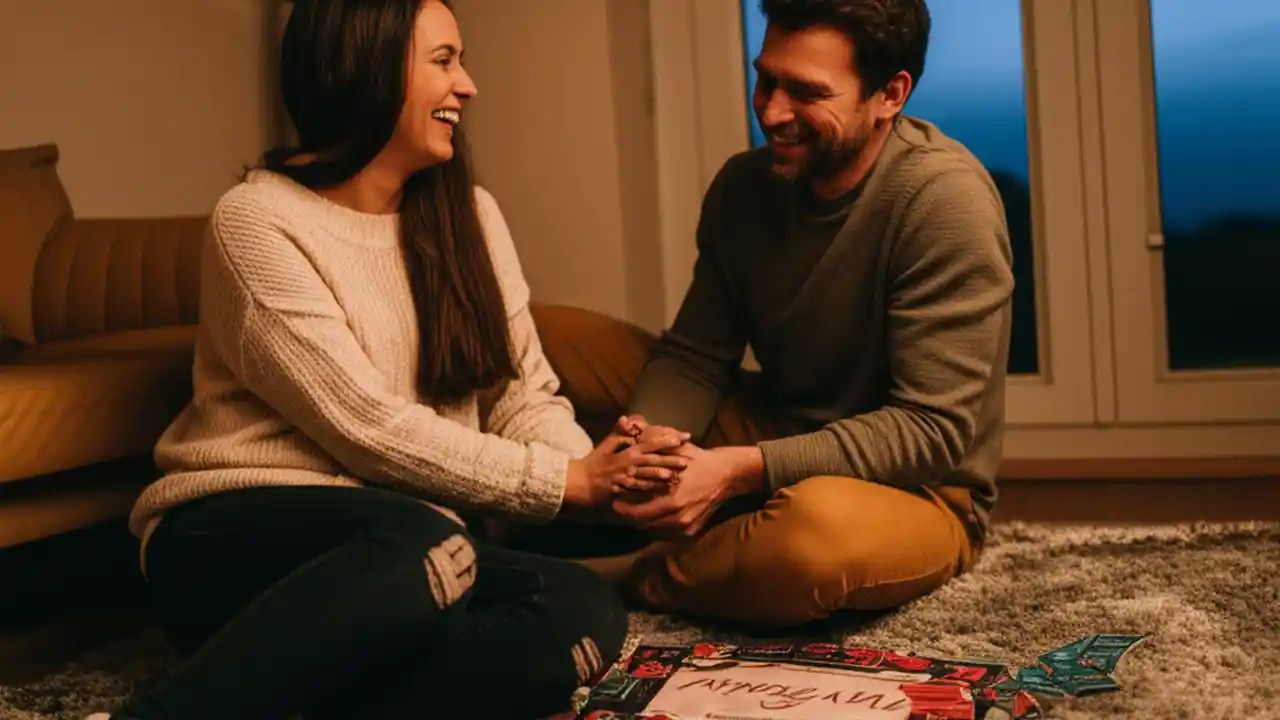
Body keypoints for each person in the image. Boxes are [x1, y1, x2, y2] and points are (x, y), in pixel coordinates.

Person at [86, 2, 690, 718]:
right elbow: (367, 429)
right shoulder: (257, 222)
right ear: (365, 66)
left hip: (420, 553)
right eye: (443, 61)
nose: (468, 86)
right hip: (234, 539)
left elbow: (521, 392)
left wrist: (604, 470)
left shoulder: (469, 215)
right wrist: (568, 483)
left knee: (581, 608)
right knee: (426, 542)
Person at [528, 0, 1014, 629]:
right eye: (766, 79)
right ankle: (500, 510)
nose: (772, 112)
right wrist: (650, 449)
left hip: (917, 491)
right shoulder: (745, 187)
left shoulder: (944, 203)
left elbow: (928, 431)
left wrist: (736, 474)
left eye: (806, 92)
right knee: (545, 335)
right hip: (774, 428)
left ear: (890, 95)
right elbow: (696, 356)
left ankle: (629, 574)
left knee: (811, 540)